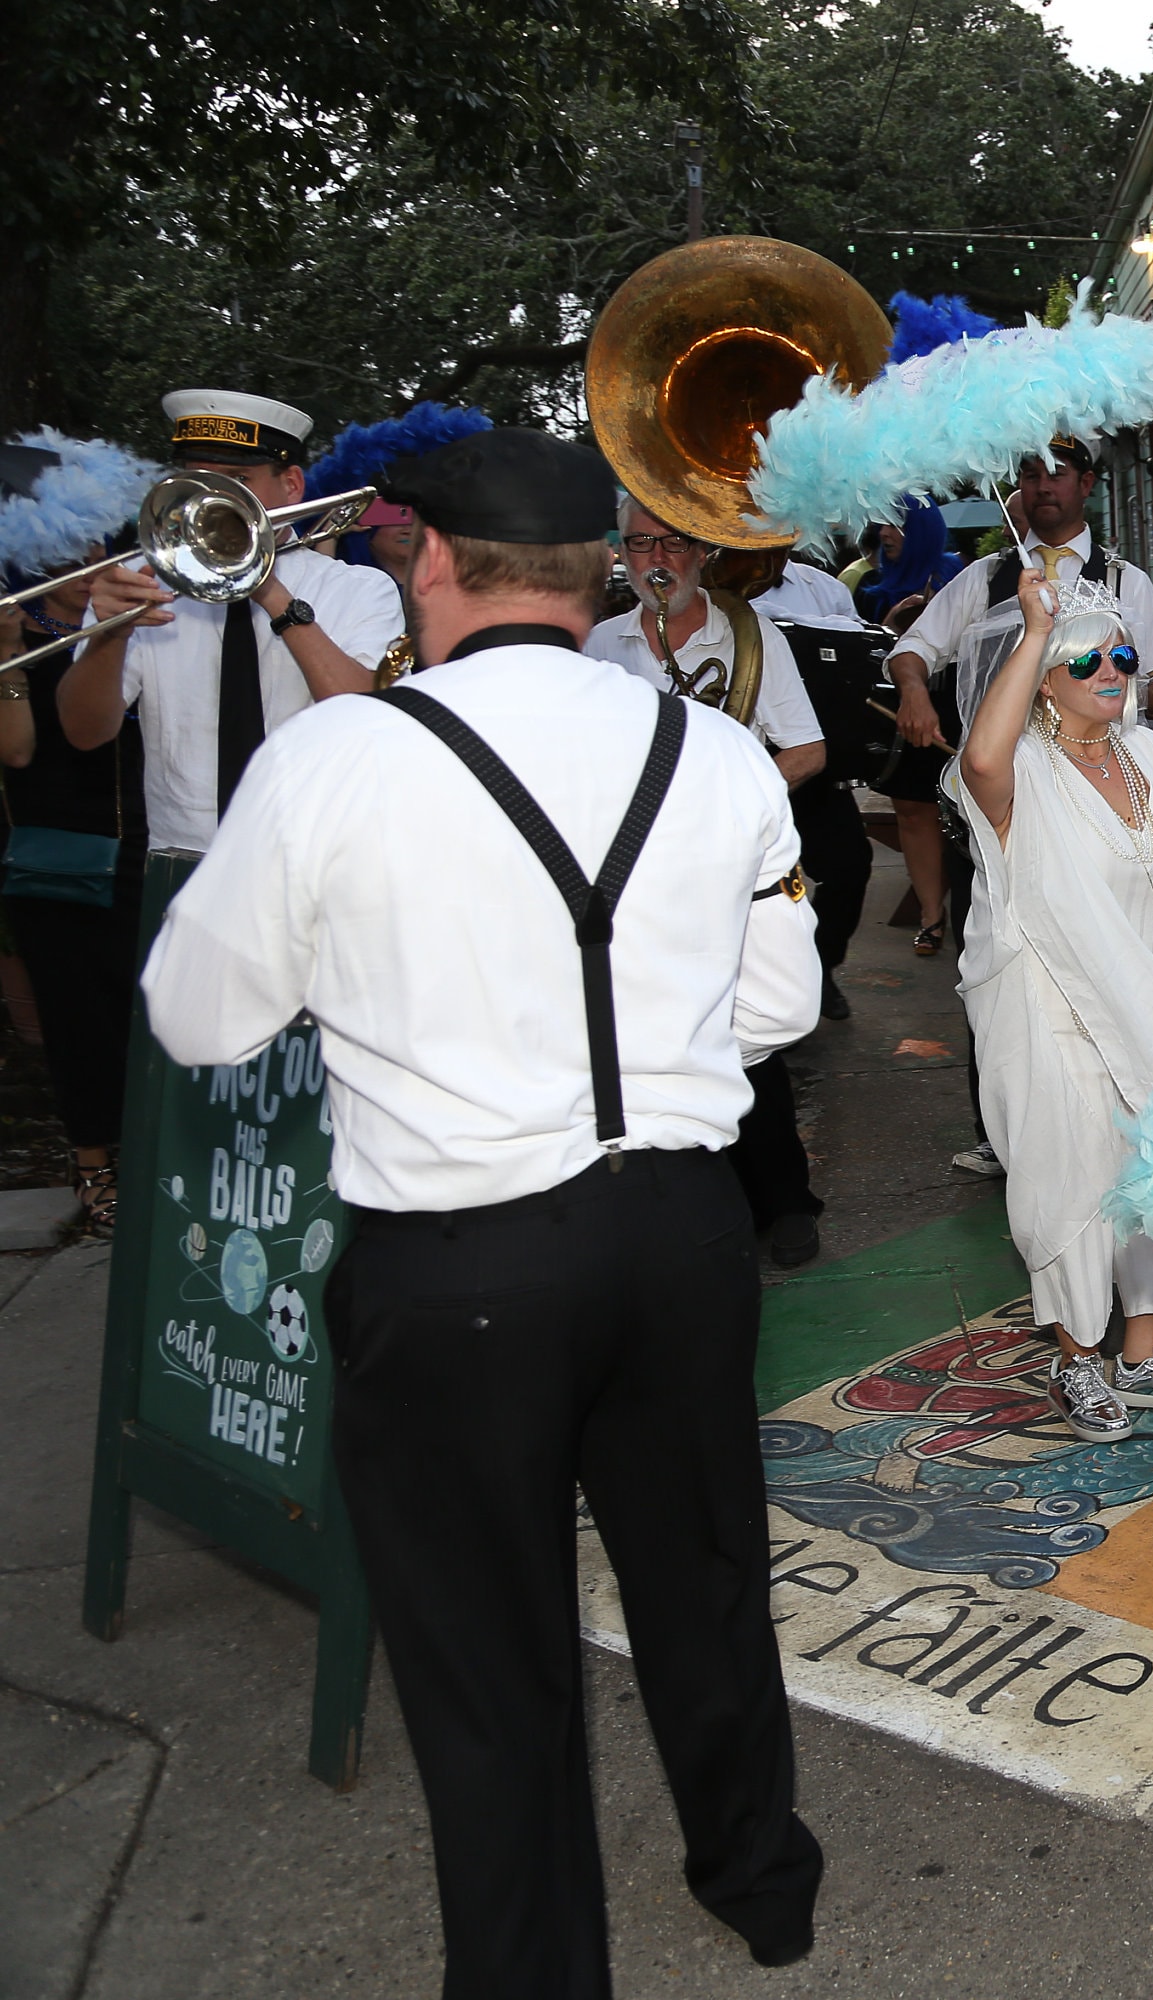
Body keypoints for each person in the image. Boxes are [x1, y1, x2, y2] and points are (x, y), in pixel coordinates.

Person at [139, 426, 826, 1990]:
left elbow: (197, 1018)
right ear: (595, 574)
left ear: (432, 562)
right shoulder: (711, 752)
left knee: (486, 1652)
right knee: (705, 1579)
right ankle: (761, 1883)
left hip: (456, 1263)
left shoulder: (336, 755)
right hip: (678, 1236)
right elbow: (779, 1004)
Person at [947, 568, 1153, 1439]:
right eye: (1082, 658)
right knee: (1073, 1186)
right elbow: (977, 757)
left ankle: (1145, 1353)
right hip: (1052, 1012)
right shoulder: (1017, 770)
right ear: (1044, 681)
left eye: (1120, 655)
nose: (1110, 670)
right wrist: (1030, 630)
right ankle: (1079, 1364)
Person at [890, 443, 1153, 1176]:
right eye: (1029, 473)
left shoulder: (1125, 580)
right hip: (1002, 803)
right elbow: (912, 649)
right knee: (1002, 953)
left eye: (1058, 473)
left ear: (1087, 483)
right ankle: (1009, 1124)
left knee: (1115, 946)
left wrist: (1120, 680)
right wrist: (916, 690)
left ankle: (1127, 1113)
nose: (1041, 486)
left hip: (1099, 794)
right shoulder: (986, 577)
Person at [583, 501, 834, 1268]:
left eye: (674, 540)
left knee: (751, 1033)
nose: (659, 556)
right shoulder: (598, 643)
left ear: (701, 550)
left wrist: (728, 801)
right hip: (635, 870)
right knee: (658, 1025)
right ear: (619, 553)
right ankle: (693, 1195)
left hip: (730, 863)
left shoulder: (756, 636)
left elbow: (809, 750)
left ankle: (785, 1200)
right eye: (640, 542)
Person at [60, 391, 404, 851]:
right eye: (195, 479)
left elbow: (363, 720)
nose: (215, 497)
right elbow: (84, 732)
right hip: (182, 858)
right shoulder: (143, 586)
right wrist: (110, 637)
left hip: (313, 856)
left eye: (240, 478)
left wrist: (270, 591)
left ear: (292, 486)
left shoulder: (360, 588)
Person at [1, 543, 145, 1235]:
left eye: (101, 548)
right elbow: (18, 750)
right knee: (75, 1023)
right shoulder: (17, 637)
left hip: (147, 851)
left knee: (147, 1021)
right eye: (68, 550)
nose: (88, 562)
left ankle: (155, 1159)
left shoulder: (154, 619)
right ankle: (93, 1168)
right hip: (56, 866)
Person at [851, 499, 961, 630]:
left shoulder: (956, 578)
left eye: (894, 524)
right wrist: (892, 620)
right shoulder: (869, 586)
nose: (883, 533)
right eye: (881, 524)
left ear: (921, 530)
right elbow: (859, 646)